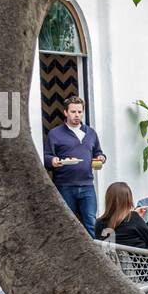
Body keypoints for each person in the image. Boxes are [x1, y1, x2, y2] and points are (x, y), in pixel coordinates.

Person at [44, 97, 106, 236]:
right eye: (73, 111)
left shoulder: (91, 133)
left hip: (87, 186)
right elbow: (46, 156)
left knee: (91, 222)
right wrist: (52, 160)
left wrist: (102, 158)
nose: (77, 115)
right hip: (64, 186)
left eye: (79, 111)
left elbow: (98, 152)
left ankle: (94, 255)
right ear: (65, 112)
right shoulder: (55, 134)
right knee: (66, 223)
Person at [95, 182, 148, 250]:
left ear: (108, 199)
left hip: (113, 259)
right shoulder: (133, 218)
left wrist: (134, 214)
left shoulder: (99, 223)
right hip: (139, 259)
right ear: (129, 199)